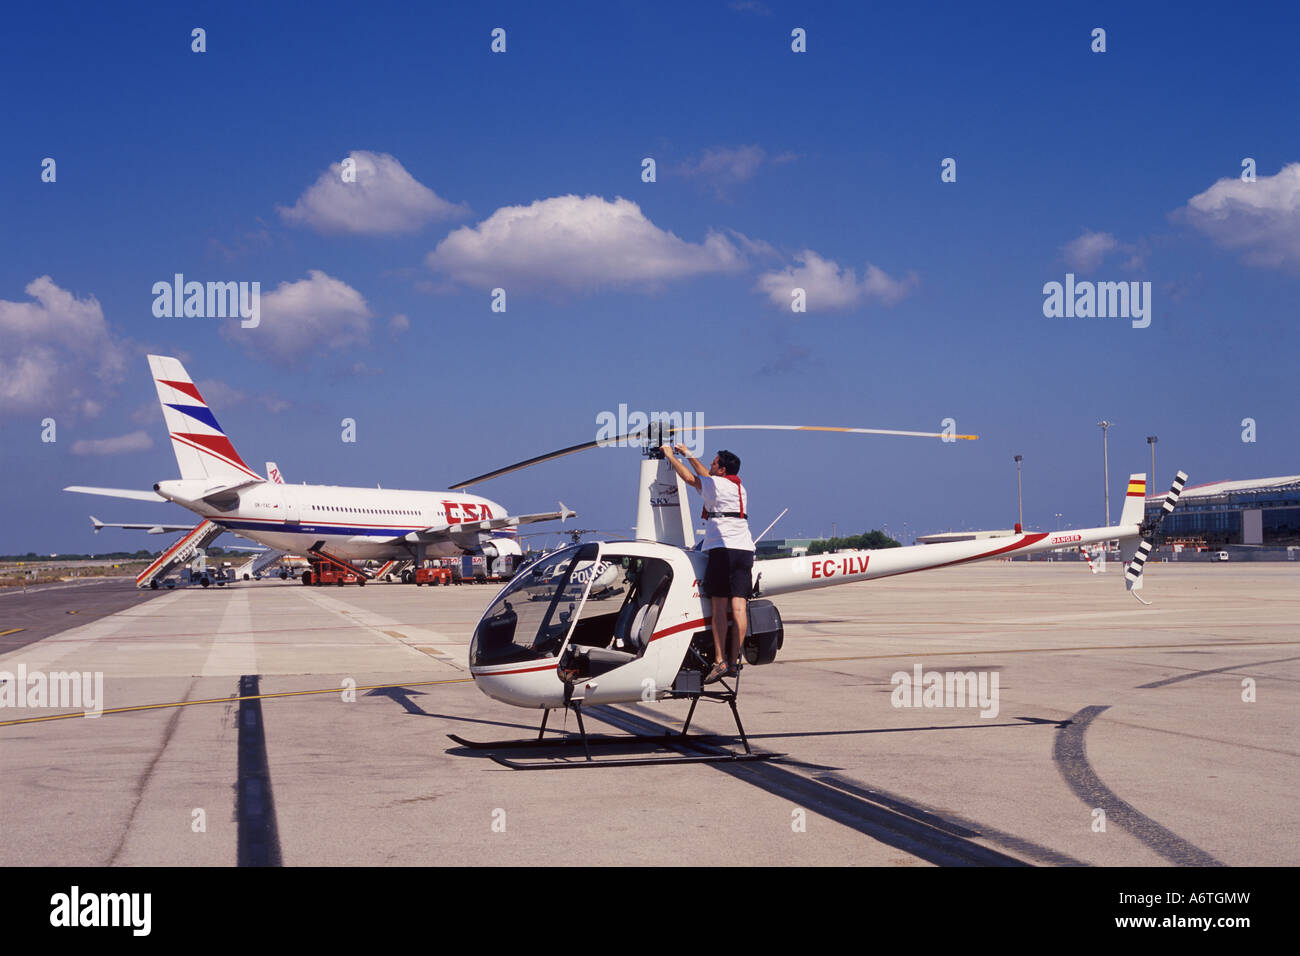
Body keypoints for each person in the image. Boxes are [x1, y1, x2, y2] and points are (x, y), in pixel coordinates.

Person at [661, 443, 754, 683]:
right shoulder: (739, 487)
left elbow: (691, 478)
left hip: (722, 550)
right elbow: (704, 474)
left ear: (722, 469)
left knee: (718, 608)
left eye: (714, 463)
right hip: (744, 549)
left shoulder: (716, 484)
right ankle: (734, 661)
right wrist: (689, 453)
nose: (710, 466)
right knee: (739, 608)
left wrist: (671, 457)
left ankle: (720, 659)